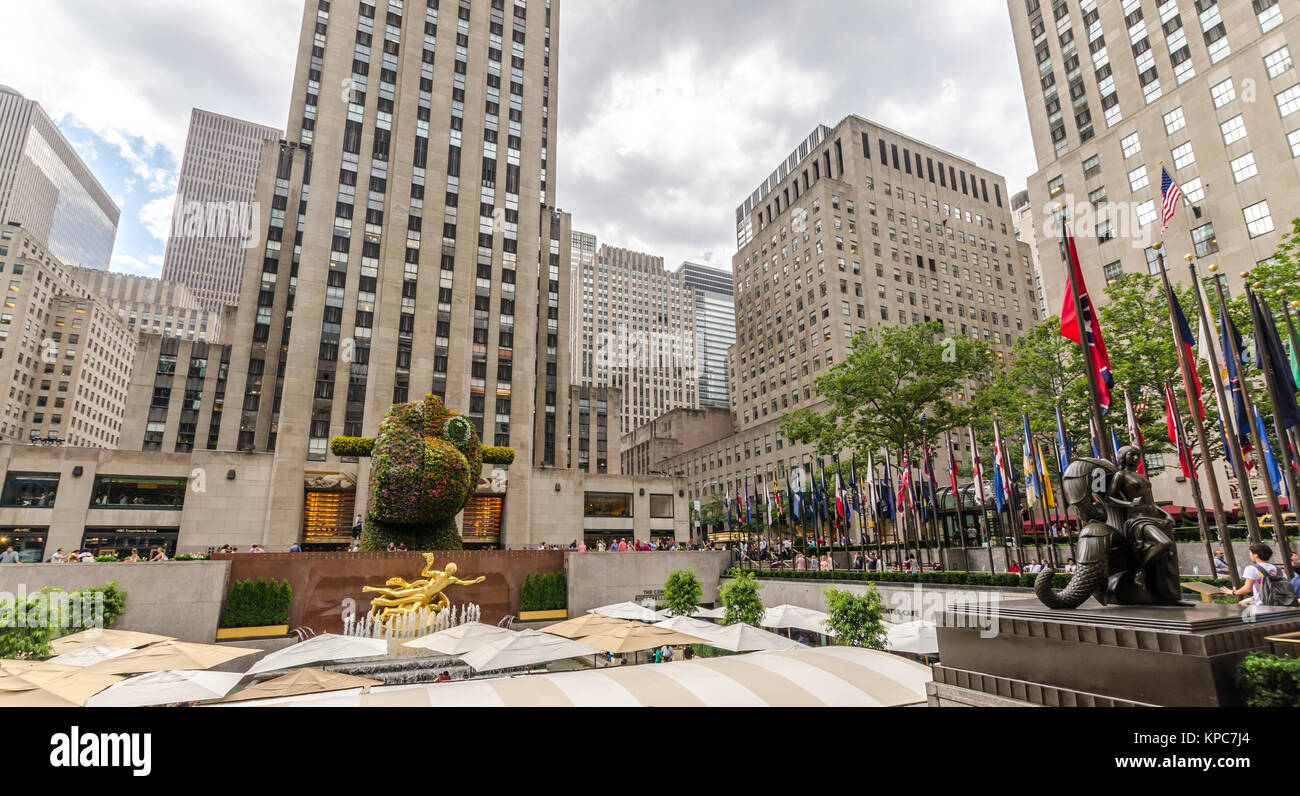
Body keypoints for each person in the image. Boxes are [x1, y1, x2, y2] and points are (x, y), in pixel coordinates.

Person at [1220, 543, 1288, 605]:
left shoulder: (1252, 568)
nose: (1250, 556)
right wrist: (1251, 599)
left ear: (1256, 555)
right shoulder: (1278, 569)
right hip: (1280, 604)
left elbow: (1247, 589)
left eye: (1250, 554)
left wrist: (1233, 592)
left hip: (1264, 606)